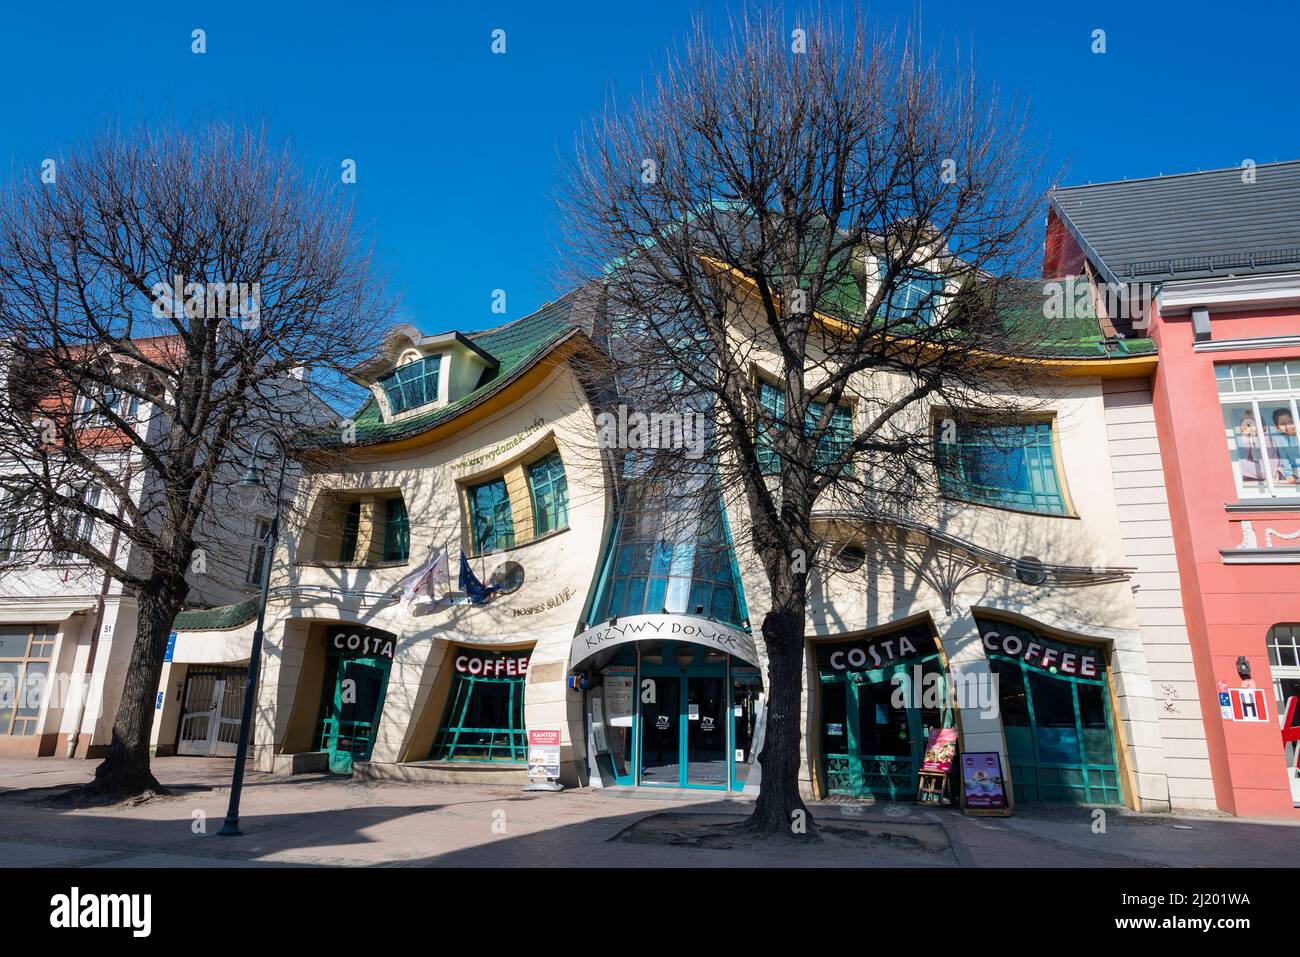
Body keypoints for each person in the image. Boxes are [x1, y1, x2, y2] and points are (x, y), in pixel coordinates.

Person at [1236, 410, 1266, 484]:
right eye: (1247, 426)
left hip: (1265, 470)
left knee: (1237, 464)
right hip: (1258, 469)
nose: (1250, 428)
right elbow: (1249, 458)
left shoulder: (1264, 439)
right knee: (1238, 464)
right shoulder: (1251, 440)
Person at [1272, 408, 1298, 485]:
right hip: (1295, 470)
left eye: (1291, 422)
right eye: (1283, 424)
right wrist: (1288, 474)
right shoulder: (1279, 439)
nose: (1288, 426)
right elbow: (1284, 459)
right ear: (1277, 427)